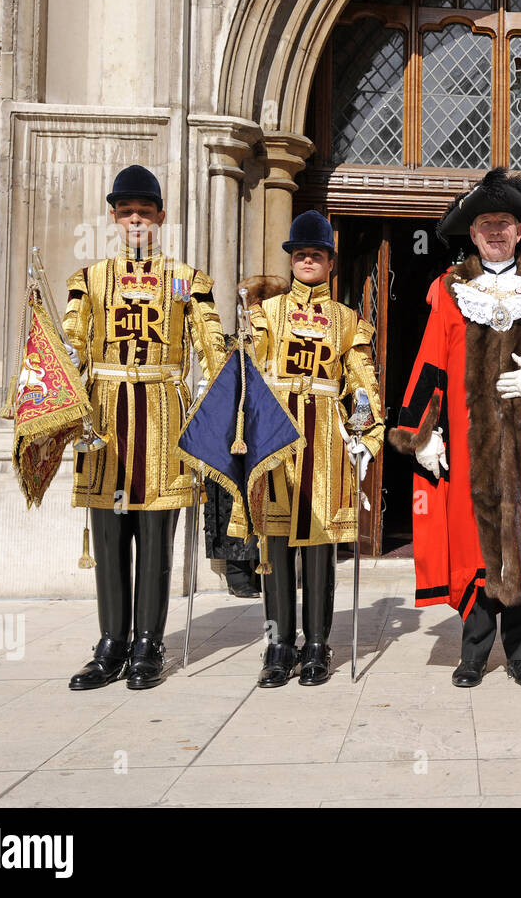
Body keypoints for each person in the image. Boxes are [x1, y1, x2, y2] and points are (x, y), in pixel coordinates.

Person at [389, 169, 521, 688]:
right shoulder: (452, 291)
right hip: (470, 442)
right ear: (472, 234)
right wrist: (423, 432)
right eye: (485, 225)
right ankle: (474, 653)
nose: (496, 232)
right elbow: (431, 362)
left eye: (504, 223)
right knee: (477, 545)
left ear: (519, 231)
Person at [63, 165, 225, 690]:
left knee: (156, 532)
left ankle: (148, 644)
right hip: (106, 415)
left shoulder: (185, 279)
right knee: (109, 534)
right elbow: (73, 342)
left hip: (162, 414)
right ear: (114, 217)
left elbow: (211, 343)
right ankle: (111, 642)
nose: (136, 219)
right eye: (126, 211)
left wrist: (223, 396)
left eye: (145, 212)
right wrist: (59, 357)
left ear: (160, 217)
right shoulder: (88, 279)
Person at [234, 211, 384, 687]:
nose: (306, 261)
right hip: (276, 437)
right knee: (274, 543)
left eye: (315, 255)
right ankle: (278, 644)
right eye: (299, 255)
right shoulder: (267, 314)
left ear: (329, 263)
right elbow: (248, 372)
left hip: (325, 438)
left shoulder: (347, 321)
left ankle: (318, 643)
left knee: (319, 545)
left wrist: (366, 434)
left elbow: (361, 383)